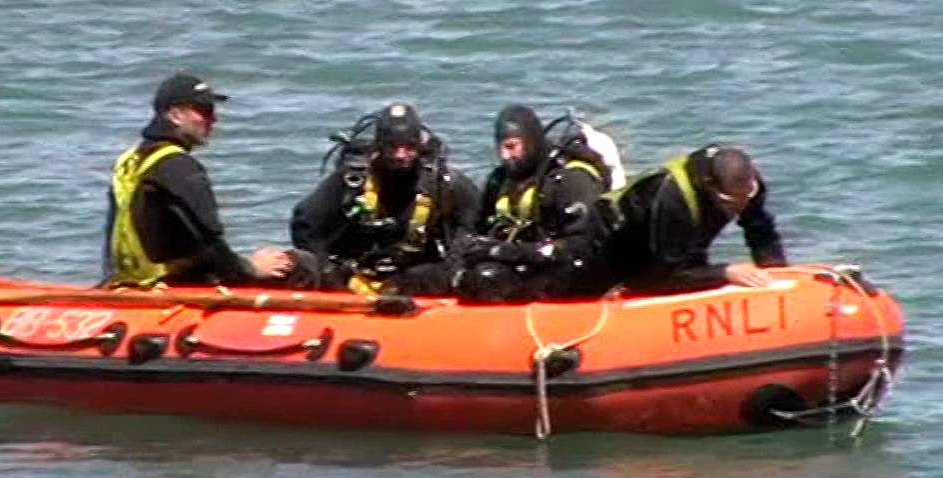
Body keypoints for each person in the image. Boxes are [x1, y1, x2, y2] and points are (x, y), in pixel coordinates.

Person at [102, 72, 308, 287]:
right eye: (204, 111)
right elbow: (211, 243)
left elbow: (112, 241)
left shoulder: (129, 161)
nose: (213, 120)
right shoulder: (179, 166)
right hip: (181, 282)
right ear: (175, 115)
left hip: (136, 279)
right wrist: (251, 269)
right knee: (303, 265)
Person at [290, 103, 481, 294]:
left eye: (409, 147)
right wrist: (326, 268)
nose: (400, 155)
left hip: (415, 276)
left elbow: (472, 225)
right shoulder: (352, 179)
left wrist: (455, 266)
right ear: (379, 145)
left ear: (420, 146)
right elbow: (305, 223)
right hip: (353, 273)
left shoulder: (444, 183)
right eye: (393, 147)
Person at [456, 105, 611, 301]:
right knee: (475, 277)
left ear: (531, 142)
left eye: (512, 147)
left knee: (490, 278)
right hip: (527, 263)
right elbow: (479, 228)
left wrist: (512, 252)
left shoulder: (571, 179)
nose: (505, 156)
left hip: (572, 269)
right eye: (501, 148)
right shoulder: (500, 180)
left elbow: (583, 245)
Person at [591, 144, 787, 293]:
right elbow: (661, 273)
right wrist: (725, 272)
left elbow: (760, 231)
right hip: (619, 246)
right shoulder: (670, 198)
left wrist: (776, 274)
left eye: (747, 198)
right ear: (709, 186)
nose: (740, 206)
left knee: (696, 262)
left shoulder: (746, 185)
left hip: (686, 242)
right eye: (729, 202)